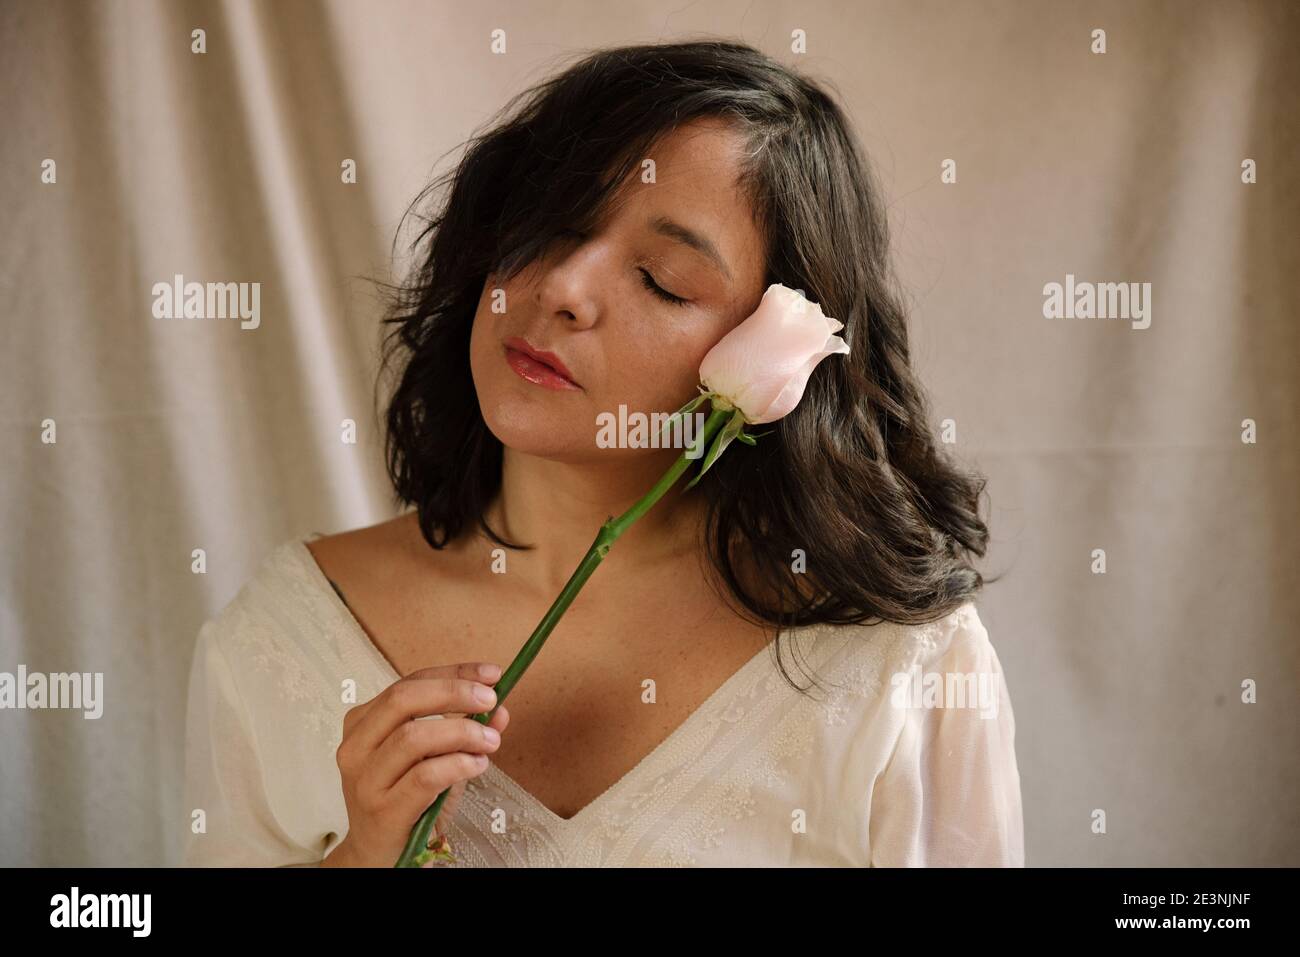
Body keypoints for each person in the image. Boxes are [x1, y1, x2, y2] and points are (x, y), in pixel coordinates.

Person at [183, 39, 1023, 867]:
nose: (560, 289)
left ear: (773, 348)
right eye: (551, 224)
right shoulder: (281, 638)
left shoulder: (899, 668)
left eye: (660, 279)